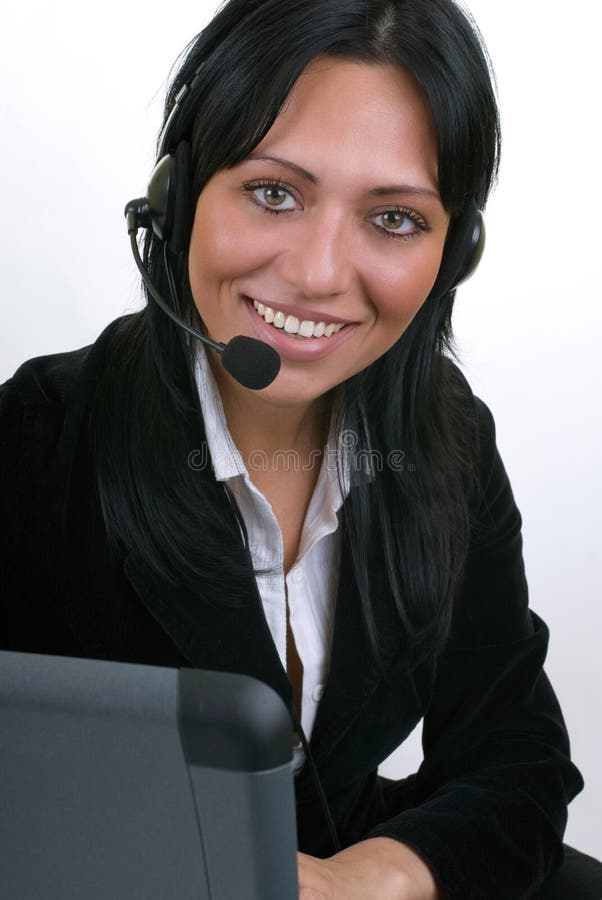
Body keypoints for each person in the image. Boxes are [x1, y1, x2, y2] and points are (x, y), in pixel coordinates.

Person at [2, 1, 601, 897]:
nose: (320, 274)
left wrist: (376, 879)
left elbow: (516, 750)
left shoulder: (447, 439)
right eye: (273, 192)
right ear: (178, 195)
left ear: (456, 249)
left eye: (394, 218)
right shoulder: (39, 438)